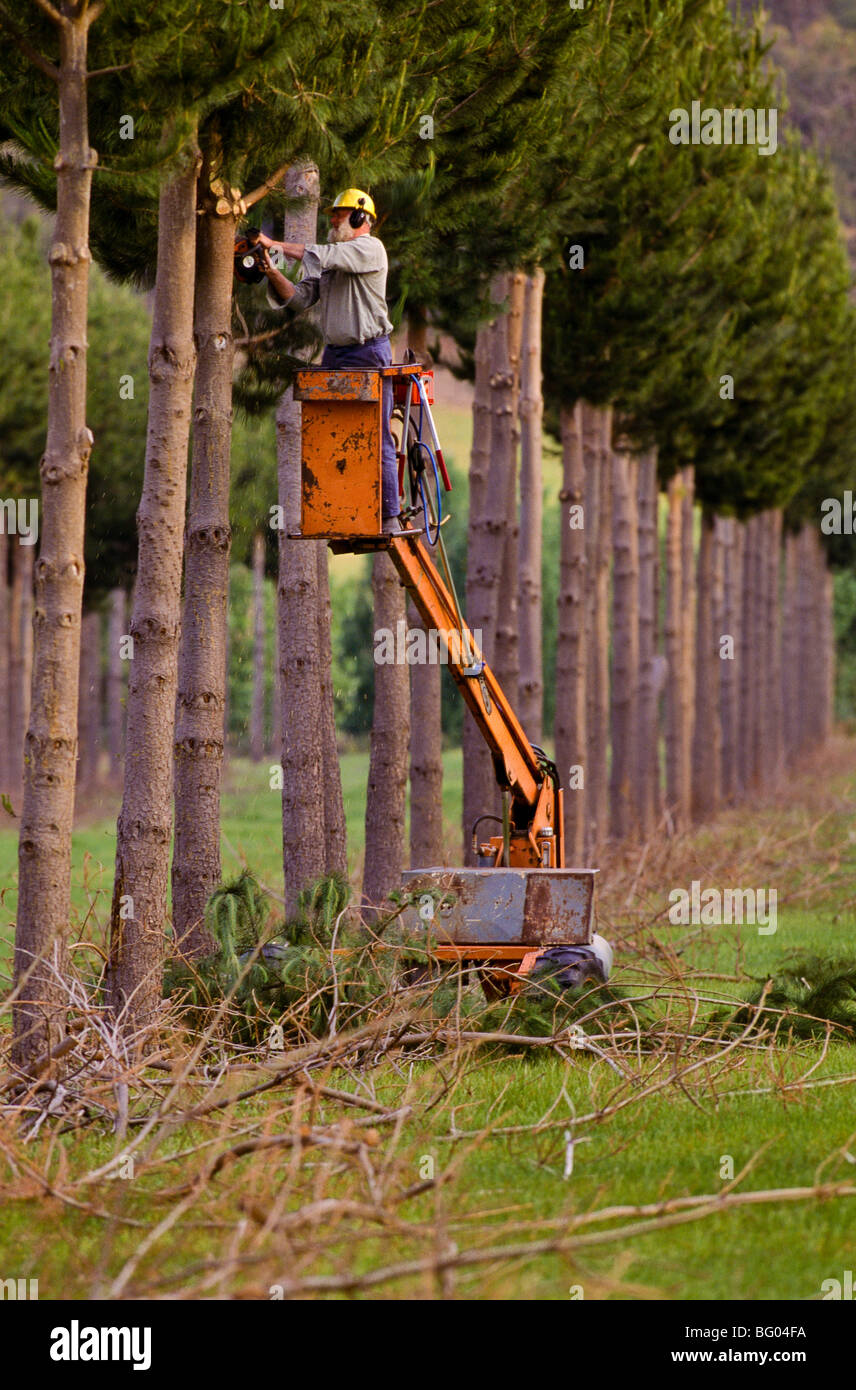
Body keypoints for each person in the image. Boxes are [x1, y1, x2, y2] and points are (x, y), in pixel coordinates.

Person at [257, 189, 402, 533]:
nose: (332, 219)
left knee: (374, 434)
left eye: (339, 214)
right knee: (332, 433)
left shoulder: (370, 249)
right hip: (336, 354)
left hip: (368, 353)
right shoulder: (334, 261)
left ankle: (390, 515)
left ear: (359, 218)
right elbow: (298, 298)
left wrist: (272, 243)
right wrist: (271, 271)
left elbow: (322, 255)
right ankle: (342, 509)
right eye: (333, 214)